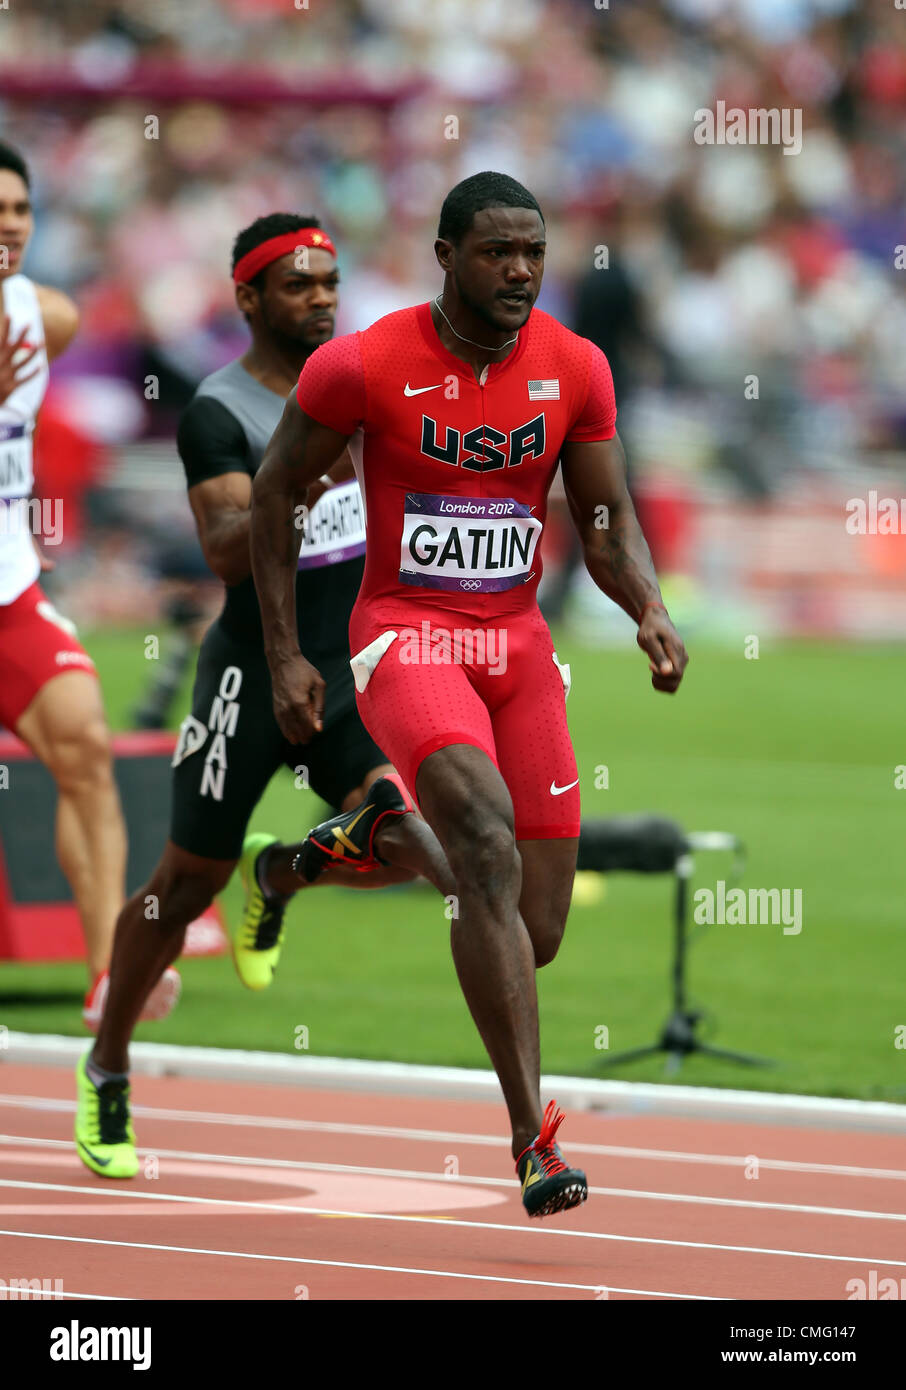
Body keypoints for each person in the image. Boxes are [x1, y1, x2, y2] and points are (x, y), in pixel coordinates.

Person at [250, 172, 689, 1218]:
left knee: (529, 932)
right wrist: (284, 657)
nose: (522, 270)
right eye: (497, 252)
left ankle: (362, 844)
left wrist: (650, 605)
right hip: (404, 632)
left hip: (520, 642)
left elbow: (605, 518)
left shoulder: (576, 366)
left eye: (534, 250)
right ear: (446, 256)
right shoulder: (362, 363)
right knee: (485, 842)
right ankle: (531, 1136)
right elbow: (273, 496)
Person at [75, 213, 454, 1179]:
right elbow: (224, 552)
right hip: (249, 674)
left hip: (348, 665)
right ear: (249, 299)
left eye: (331, 282)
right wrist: (307, 468)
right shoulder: (218, 410)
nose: (323, 298)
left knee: (414, 840)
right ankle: (109, 1064)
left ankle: (277, 875)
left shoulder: (367, 387)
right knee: (179, 886)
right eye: (299, 285)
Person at [0, 140, 178, 1030]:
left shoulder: (45, 317)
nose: (8, 230)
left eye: (19, 214)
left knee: (85, 747)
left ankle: (109, 974)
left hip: (13, 597)